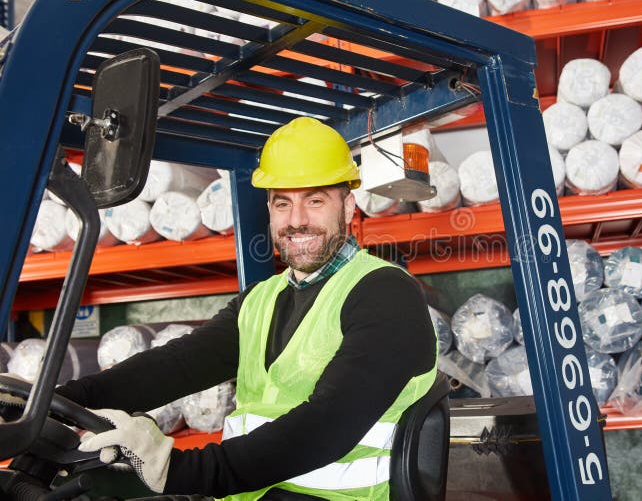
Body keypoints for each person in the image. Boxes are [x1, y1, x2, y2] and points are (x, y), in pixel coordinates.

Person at [57, 116, 438, 500]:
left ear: (349, 206)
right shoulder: (260, 300)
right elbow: (177, 365)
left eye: (316, 200)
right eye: (282, 203)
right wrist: (60, 402)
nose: (297, 220)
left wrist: (178, 470)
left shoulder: (386, 293)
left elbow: (327, 425)